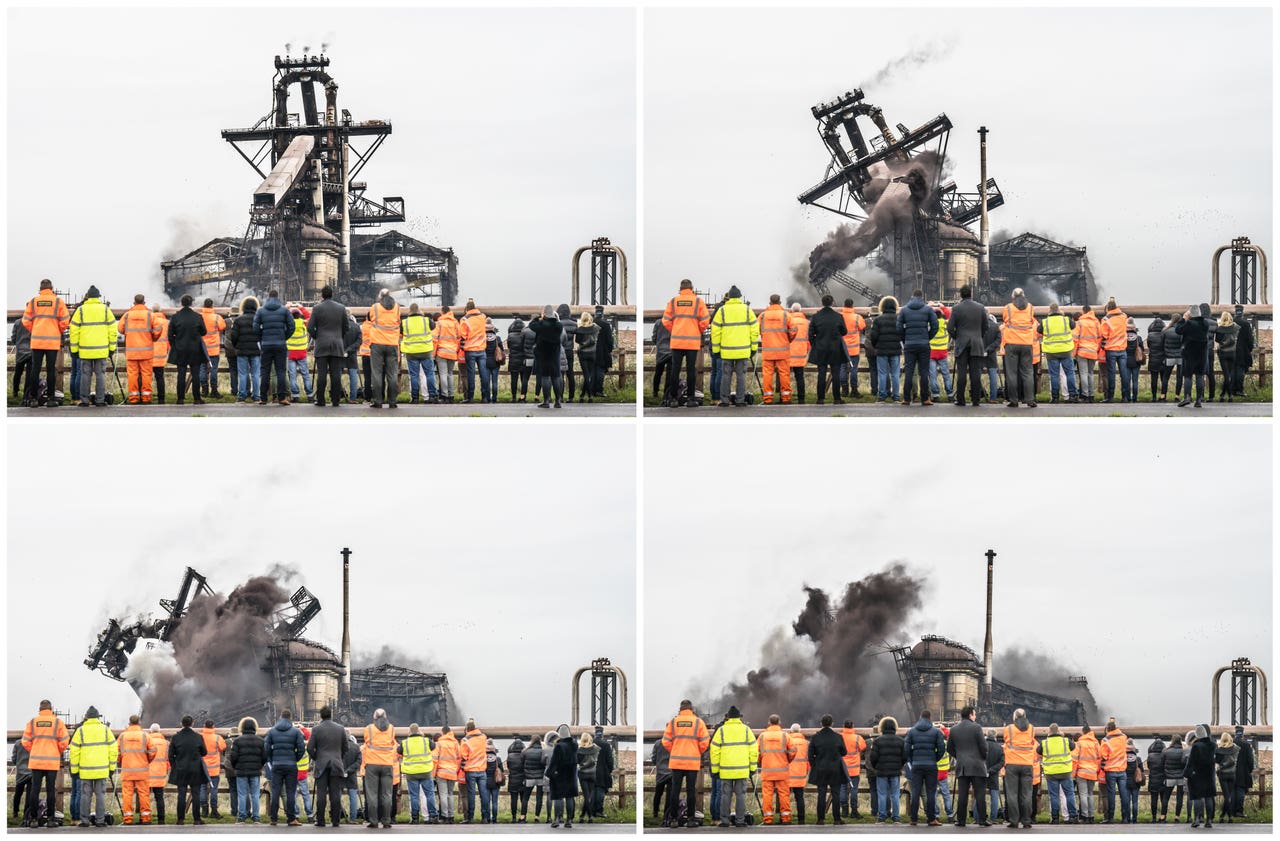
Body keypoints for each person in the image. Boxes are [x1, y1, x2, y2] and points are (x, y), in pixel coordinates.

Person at [20, 279, 71, 407]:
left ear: (40, 289)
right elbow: (65, 321)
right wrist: (57, 330)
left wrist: (35, 329)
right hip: (52, 341)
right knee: (51, 370)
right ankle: (51, 398)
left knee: (35, 370)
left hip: (37, 341)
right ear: (51, 288)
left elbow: (25, 321)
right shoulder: (58, 302)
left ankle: (33, 399)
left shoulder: (33, 302)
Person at [661, 280, 711, 407]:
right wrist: (697, 330)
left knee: (675, 370)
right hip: (692, 342)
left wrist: (675, 329)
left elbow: (665, 321)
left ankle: (673, 399)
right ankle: (690, 398)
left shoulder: (673, 302)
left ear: (680, 289)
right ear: (691, 288)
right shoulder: (698, 302)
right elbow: (705, 320)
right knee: (691, 370)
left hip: (677, 341)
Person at [661, 700, 710, 827]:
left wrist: (675, 750)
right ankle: (691, 819)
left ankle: (673, 819)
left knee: (674, 791)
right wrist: (696, 751)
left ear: (680, 709)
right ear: (691, 709)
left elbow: (665, 741)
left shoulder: (673, 722)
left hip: (676, 762)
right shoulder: (698, 722)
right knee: (691, 791)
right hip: (692, 762)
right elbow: (705, 741)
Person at [20, 701, 68, 828]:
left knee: (34, 790)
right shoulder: (58, 722)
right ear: (51, 709)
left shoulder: (32, 722)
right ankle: (51, 819)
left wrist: (34, 749)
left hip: (36, 761)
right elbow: (64, 741)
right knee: (51, 790)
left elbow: (25, 741)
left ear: (39, 709)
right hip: (51, 761)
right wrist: (57, 750)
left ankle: (34, 819)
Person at [709, 286, 759, 407]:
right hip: (743, 349)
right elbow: (755, 330)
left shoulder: (722, 310)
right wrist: (753, 348)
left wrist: (716, 349)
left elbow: (715, 331)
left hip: (726, 350)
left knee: (726, 375)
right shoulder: (747, 310)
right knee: (741, 375)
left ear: (729, 297)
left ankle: (724, 400)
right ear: (739, 297)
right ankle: (740, 400)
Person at [66, 706, 116, 827]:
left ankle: (84, 821)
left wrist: (74, 769)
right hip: (102, 770)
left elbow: (74, 751)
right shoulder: (106, 730)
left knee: (85, 796)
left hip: (85, 770)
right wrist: (111, 768)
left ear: (86, 717)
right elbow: (113, 750)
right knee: (100, 796)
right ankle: (100, 820)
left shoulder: (80, 731)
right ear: (98, 717)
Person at [68, 286, 117, 407]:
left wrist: (74, 349)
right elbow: (113, 330)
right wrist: (112, 348)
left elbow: (73, 330)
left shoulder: (80, 310)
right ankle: (100, 400)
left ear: (88, 297)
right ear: (98, 297)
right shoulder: (106, 310)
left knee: (85, 375)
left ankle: (84, 400)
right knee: (100, 375)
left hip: (85, 350)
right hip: (101, 349)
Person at [307, 285, 350, 408]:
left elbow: (310, 327)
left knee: (322, 374)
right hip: (337, 344)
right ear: (332, 294)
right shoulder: (341, 308)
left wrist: (317, 337)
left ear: (322, 295)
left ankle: (321, 400)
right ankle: (335, 400)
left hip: (322, 344)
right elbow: (346, 327)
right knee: (336, 373)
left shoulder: (317, 308)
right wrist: (338, 337)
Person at [116, 293, 163, 404]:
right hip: (146, 351)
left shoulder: (127, 315)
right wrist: (153, 338)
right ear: (144, 302)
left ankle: (133, 398)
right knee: (146, 374)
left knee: (132, 375)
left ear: (134, 302)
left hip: (132, 351)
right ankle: (146, 398)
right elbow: (158, 328)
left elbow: (120, 329)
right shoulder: (150, 315)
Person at [946, 705, 989, 827]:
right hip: (977, 766)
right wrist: (983, 758)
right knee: (980, 794)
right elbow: (984, 747)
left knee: (962, 795)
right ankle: (982, 820)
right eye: (974, 714)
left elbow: (949, 748)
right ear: (970, 714)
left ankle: (961, 820)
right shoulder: (977, 728)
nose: (975, 716)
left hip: (963, 766)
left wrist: (959, 756)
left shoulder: (954, 729)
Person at [896, 288, 939, 406]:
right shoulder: (928, 309)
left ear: (912, 296)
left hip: (909, 345)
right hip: (924, 345)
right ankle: (925, 399)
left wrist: (905, 339)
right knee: (924, 372)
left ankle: (906, 398)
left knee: (909, 371)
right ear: (922, 297)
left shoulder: (904, 310)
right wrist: (928, 337)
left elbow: (899, 328)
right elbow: (935, 325)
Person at [948, 285, 988, 407]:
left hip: (962, 343)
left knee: (962, 373)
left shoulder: (956, 308)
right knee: (975, 373)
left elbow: (950, 327)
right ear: (971, 294)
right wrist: (978, 336)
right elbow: (986, 326)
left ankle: (961, 399)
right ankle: (976, 400)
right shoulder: (980, 307)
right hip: (976, 343)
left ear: (960, 294)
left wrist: (957, 337)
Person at [253, 289, 296, 405]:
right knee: (281, 371)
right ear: (278, 297)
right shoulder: (284, 310)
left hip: (266, 345)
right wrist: (284, 337)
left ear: (268, 297)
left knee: (265, 371)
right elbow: (292, 326)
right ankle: (282, 397)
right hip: (280, 345)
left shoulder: (261, 311)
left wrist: (262, 338)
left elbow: (255, 327)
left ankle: (263, 398)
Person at [163, 295, 207, 405]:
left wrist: (175, 345)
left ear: (181, 303)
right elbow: (204, 332)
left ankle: (180, 398)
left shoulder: (175, 317)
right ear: (191, 303)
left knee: (181, 374)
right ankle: (197, 398)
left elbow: (169, 334)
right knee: (195, 374)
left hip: (180, 349)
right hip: (195, 349)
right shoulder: (197, 316)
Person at [903, 709, 944, 826]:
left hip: (916, 766)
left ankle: (913, 819)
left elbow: (906, 749)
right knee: (931, 792)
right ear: (930, 718)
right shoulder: (936, 732)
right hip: (931, 766)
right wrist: (934, 758)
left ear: (920, 717)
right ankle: (931, 819)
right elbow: (941, 749)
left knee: (915, 792)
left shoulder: (912, 731)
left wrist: (912, 759)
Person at [264, 709, 305, 826]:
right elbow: (301, 749)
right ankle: (291, 818)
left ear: (280, 717)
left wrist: (273, 759)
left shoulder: (272, 732)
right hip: (291, 766)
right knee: (290, 792)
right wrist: (295, 758)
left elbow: (266, 749)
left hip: (277, 765)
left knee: (276, 792)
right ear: (290, 718)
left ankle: (273, 818)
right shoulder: (296, 732)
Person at [807, 294, 849, 404]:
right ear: (832, 303)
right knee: (836, 374)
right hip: (835, 349)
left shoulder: (816, 317)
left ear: (822, 303)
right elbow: (844, 332)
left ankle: (820, 398)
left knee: (821, 373)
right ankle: (837, 398)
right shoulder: (838, 316)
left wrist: (815, 344)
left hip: (821, 348)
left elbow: (810, 334)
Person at [754, 713, 795, 824]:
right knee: (784, 794)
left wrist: (761, 761)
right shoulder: (785, 736)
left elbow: (755, 752)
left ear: (769, 723)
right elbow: (793, 751)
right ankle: (786, 818)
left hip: (767, 771)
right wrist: (787, 760)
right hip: (782, 771)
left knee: (767, 795)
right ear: (779, 722)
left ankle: (768, 819)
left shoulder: (762, 736)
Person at [359, 708, 396, 827]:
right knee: (387, 794)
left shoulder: (369, 728)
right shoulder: (392, 728)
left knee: (372, 794)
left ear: (374, 717)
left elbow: (366, 741)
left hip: (372, 764)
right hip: (387, 764)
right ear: (385, 716)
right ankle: (386, 821)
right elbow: (392, 742)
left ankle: (374, 821)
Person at [1000, 288, 1037, 407]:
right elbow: (1032, 321)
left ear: (1012, 296)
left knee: (1012, 373)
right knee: (1027, 372)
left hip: (1011, 342)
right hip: (1027, 343)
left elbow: (1005, 320)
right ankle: (1030, 399)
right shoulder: (1031, 307)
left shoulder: (1008, 308)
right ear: (1024, 295)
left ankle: (1014, 400)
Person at [168, 714, 207, 825]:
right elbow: (204, 752)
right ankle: (197, 819)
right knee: (196, 794)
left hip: (181, 769)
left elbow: (170, 755)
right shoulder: (198, 737)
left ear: (181, 724)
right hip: (196, 770)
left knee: (181, 794)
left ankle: (180, 819)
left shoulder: (176, 737)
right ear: (192, 723)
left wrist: (175, 766)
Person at [365, 290, 401, 409]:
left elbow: (369, 319)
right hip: (392, 343)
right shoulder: (397, 307)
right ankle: (392, 401)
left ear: (379, 296)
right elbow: (398, 321)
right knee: (392, 373)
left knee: (377, 373)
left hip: (377, 343)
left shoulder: (375, 307)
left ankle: (378, 401)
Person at [1035, 723, 1077, 824]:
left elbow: (1038, 751)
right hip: (1065, 771)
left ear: (1049, 732)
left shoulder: (1044, 743)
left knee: (1054, 796)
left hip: (1051, 773)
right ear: (1059, 731)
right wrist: (1062, 736)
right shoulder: (1065, 741)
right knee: (1069, 794)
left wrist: (1048, 737)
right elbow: (1073, 747)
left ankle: (1055, 818)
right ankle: (1072, 816)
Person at [1001, 708, 1037, 828]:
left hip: (1012, 764)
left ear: (1014, 717)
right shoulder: (1032, 728)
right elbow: (1032, 742)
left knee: (1012, 794)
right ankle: (1026, 820)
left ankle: (1014, 820)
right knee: (1026, 794)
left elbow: (1006, 741)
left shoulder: (1009, 729)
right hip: (1027, 764)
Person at [759, 294, 797, 404]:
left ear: (770, 302)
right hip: (782, 350)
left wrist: (764, 337)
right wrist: (787, 340)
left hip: (768, 350)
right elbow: (794, 330)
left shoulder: (762, 316)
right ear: (780, 302)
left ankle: (767, 398)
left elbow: (757, 330)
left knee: (767, 374)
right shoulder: (786, 315)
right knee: (784, 374)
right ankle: (786, 398)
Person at [396, 302, 436, 405]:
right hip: (426, 351)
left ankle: (415, 398)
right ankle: (432, 396)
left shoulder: (404, 322)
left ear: (409, 311)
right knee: (429, 374)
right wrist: (422, 315)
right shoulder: (426, 320)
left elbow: (400, 332)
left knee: (414, 376)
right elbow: (433, 326)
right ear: (419, 310)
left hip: (411, 352)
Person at [1038, 302, 1078, 403]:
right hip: (1066, 350)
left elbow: (1039, 330)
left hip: (1051, 352)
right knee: (1069, 373)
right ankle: (1073, 395)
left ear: (1049, 311)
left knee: (1054, 375)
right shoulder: (1066, 320)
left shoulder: (1045, 322)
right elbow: (1074, 326)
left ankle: (1055, 397)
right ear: (1059, 310)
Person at [229, 716, 265, 824]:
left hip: (241, 771)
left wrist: (236, 767)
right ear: (254, 727)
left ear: (242, 727)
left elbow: (233, 757)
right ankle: (256, 817)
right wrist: (259, 766)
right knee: (255, 794)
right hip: (255, 771)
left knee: (242, 794)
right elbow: (265, 757)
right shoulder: (260, 740)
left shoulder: (237, 741)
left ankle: (241, 817)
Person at [869, 716, 905, 824]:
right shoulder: (901, 740)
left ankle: (882, 817)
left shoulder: (877, 741)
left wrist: (876, 767)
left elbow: (873, 757)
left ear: (882, 727)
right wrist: (899, 765)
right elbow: (905, 757)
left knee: (882, 794)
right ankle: (896, 817)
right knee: (895, 794)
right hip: (895, 771)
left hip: (881, 771)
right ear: (894, 727)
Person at [529, 305, 565, 408]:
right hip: (555, 354)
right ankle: (558, 401)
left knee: (545, 377)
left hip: (543, 353)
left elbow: (531, 325)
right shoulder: (559, 325)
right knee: (556, 377)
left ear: (544, 313)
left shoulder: (541, 324)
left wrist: (539, 318)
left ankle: (546, 401)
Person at [1176, 304, 1211, 407]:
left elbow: (1178, 330)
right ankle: (1199, 400)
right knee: (1200, 376)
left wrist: (1183, 319)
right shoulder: (1205, 323)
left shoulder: (1189, 323)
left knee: (1188, 376)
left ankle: (1187, 397)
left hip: (1189, 353)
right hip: (1202, 353)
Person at [228, 296, 261, 402]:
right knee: (255, 374)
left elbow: (233, 336)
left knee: (243, 374)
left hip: (242, 350)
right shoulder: (259, 319)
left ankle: (242, 395)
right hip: (256, 350)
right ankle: (256, 396)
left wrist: (236, 345)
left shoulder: (238, 320)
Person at [456, 719, 489, 823]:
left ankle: (470, 817)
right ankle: (485, 817)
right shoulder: (483, 737)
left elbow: (463, 756)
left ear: (467, 729)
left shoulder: (465, 740)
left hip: (471, 770)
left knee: (471, 794)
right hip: (482, 770)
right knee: (484, 794)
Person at [1098, 718, 1130, 824]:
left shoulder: (1105, 740)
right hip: (1122, 770)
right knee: (1124, 794)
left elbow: (1104, 756)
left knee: (1111, 794)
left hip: (1111, 770)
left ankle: (1110, 817)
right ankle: (1125, 817)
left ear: (1107, 729)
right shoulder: (1124, 737)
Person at [1096, 298, 1128, 402]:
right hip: (1122, 349)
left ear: (1107, 308)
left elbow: (1104, 335)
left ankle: (1110, 397)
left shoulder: (1105, 319)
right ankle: (1125, 396)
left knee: (1111, 374)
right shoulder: (1124, 316)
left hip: (1111, 349)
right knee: (1124, 374)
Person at [548, 724, 579, 828]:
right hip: (571, 775)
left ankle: (556, 819)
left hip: (560, 775)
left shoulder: (559, 746)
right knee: (570, 797)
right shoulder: (575, 745)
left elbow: (554, 762)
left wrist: (548, 773)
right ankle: (569, 820)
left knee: (558, 797)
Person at [836, 299, 866, 397]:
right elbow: (863, 326)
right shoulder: (857, 317)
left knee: (842, 368)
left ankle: (844, 390)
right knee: (854, 369)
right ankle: (854, 390)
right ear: (852, 306)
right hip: (853, 350)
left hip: (842, 348)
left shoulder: (839, 317)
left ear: (844, 305)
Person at [197, 718, 227, 818]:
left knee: (202, 788)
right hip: (214, 769)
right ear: (213, 726)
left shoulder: (199, 737)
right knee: (214, 789)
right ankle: (214, 811)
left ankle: (204, 811)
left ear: (204, 726)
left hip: (202, 768)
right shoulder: (217, 738)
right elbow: (223, 747)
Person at [1187, 724, 1215, 828]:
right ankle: (1208, 821)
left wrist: (1187, 773)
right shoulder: (1212, 745)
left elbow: (1191, 762)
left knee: (1197, 798)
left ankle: (1197, 819)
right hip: (1209, 774)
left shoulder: (1196, 746)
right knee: (1208, 798)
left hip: (1197, 775)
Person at [1070, 304, 1100, 402]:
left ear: (1083, 312)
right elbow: (1100, 337)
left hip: (1082, 352)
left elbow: (1075, 338)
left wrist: (1073, 353)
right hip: (1093, 352)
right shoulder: (1096, 322)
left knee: (1083, 374)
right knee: (1090, 374)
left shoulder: (1080, 322)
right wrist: (1096, 349)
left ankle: (1085, 395)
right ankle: (1092, 396)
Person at [1070, 724, 1099, 823]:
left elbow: (1074, 759)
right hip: (1092, 772)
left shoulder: (1079, 743)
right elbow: (1099, 757)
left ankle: (1085, 816)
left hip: (1082, 772)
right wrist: (1096, 770)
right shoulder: (1095, 743)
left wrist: (1073, 774)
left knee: (1083, 794)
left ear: (1083, 732)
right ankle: (1092, 816)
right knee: (1090, 794)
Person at [284, 305, 314, 402]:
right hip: (302, 353)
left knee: (292, 375)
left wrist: (286, 307)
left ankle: (295, 395)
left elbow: (281, 317)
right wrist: (301, 307)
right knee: (305, 374)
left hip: (291, 353)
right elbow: (309, 317)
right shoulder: (304, 323)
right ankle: (310, 395)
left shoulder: (288, 324)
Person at [838, 719, 866, 818]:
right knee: (854, 790)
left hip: (842, 769)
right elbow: (863, 747)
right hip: (854, 769)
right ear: (853, 726)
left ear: (843, 726)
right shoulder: (858, 738)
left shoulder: (839, 737)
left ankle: (844, 811)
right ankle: (854, 811)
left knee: (842, 789)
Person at [785, 303, 812, 404]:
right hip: (801, 354)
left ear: (791, 311)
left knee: (785, 377)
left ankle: (785, 397)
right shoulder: (807, 323)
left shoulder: (787, 321)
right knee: (800, 377)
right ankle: (801, 398)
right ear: (800, 311)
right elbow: (810, 337)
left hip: (787, 353)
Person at [432, 726, 460, 823]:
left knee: (443, 795)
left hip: (442, 772)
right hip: (452, 772)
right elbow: (459, 758)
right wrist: (455, 770)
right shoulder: (455, 743)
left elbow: (435, 759)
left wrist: (433, 774)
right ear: (450, 732)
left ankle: (444, 816)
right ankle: (451, 816)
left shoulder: (439, 743)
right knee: (450, 794)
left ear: (442, 733)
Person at [785, 723, 810, 824]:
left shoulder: (787, 741)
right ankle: (801, 819)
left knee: (785, 797)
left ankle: (785, 818)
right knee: (800, 797)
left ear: (790, 731)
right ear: (800, 731)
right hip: (800, 774)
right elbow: (809, 759)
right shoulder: (806, 743)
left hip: (787, 774)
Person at [928, 303, 954, 401]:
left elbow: (924, 314)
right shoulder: (945, 323)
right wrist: (942, 306)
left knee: (933, 375)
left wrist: (929, 306)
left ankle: (935, 395)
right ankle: (950, 395)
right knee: (946, 374)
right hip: (942, 352)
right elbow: (950, 315)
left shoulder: (930, 324)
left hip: (931, 353)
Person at [1160, 732, 1188, 822]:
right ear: (1180, 741)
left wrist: (1165, 773)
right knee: (1179, 798)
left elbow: (1162, 763)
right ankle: (1177, 817)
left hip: (1169, 777)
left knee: (1166, 797)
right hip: (1180, 777)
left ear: (1172, 741)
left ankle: (1163, 816)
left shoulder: (1166, 751)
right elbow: (1185, 764)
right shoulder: (1183, 752)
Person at [1214, 311, 1240, 403]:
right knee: (1229, 374)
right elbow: (1238, 336)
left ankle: (1229, 395)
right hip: (1232, 352)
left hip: (1223, 353)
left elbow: (1217, 340)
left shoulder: (1220, 328)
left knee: (1226, 375)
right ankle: (1223, 394)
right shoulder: (1235, 327)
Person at [575, 312, 600, 404]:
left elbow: (577, 341)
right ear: (590, 318)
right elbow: (597, 335)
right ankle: (582, 395)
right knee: (589, 375)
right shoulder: (595, 328)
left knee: (586, 374)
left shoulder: (580, 329)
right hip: (593, 353)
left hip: (583, 353)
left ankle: (589, 395)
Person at [1214, 732, 1238, 823]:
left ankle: (1227, 815)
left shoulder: (1220, 750)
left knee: (1226, 796)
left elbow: (1216, 761)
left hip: (1223, 774)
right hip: (1232, 774)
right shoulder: (1235, 748)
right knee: (1228, 795)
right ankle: (1225, 815)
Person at [522, 734, 546, 822]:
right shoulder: (543, 751)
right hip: (540, 777)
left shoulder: (526, 751)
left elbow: (522, 763)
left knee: (525, 797)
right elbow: (544, 763)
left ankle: (523, 816)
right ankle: (537, 817)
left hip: (529, 777)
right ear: (540, 741)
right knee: (539, 798)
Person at [149, 304, 170, 404]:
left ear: (152, 311)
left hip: (148, 353)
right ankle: (161, 398)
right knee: (160, 378)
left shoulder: (149, 321)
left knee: (147, 378)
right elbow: (170, 338)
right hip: (161, 354)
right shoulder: (166, 323)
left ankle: (146, 397)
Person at [575, 733, 598, 823]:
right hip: (592, 773)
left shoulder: (580, 750)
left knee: (586, 796)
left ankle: (590, 816)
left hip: (583, 774)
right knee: (588, 796)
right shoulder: (595, 749)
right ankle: (582, 815)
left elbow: (577, 761)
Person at [592, 725, 614, 819]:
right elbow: (610, 760)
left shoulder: (590, 743)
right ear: (602, 734)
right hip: (602, 772)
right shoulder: (606, 745)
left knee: (592, 791)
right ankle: (599, 811)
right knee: (600, 791)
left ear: (595, 733)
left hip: (590, 771)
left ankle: (591, 811)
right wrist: (609, 770)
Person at [1232, 305, 1254, 397]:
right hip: (1243, 350)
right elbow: (1250, 339)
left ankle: (1232, 390)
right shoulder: (1246, 324)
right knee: (1240, 370)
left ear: (1235, 312)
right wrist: (1249, 348)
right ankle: (1239, 390)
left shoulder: (1231, 323)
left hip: (1231, 350)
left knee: (1232, 370)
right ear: (1242, 312)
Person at [507, 316, 530, 401]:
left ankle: (513, 397)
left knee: (514, 379)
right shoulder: (524, 334)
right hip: (523, 359)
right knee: (524, 379)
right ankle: (523, 396)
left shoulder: (510, 335)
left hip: (513, 359)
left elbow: (509, 346)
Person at [1163, 313, 1185, 401]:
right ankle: (1177, 396)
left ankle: (1163, 395)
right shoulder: (1182, 331)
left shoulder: (1166, 330)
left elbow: (1163, 343)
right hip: (1180, 356)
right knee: (1179, 377)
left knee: (1166, 377)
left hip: (1169, 356)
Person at [649, 738, 671, 824]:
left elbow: (653, 758)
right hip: (671, 772)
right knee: (669, 795)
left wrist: (657, 762)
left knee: (658, 793)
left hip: (660, 772)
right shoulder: (674, 742)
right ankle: (666, 813)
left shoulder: (658, 743)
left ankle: (655, 811)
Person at [1146, 317, 1169, 401]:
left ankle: (1154, 396)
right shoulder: (1164, 334)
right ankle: (1163, 396)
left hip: (1153, 359)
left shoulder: (1150, 335)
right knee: (1164, 379)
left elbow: (1149, 346)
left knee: (1154, 379)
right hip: (1163, 359)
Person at [1144, 738, 1166, 822]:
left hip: (1153, 779)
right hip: (1163, 780)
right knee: (1163, 799)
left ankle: (1154, 817)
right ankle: (1163, 817)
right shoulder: (1164, 755)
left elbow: (1149, 766)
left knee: (1154, 799)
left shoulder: (1150, 756)